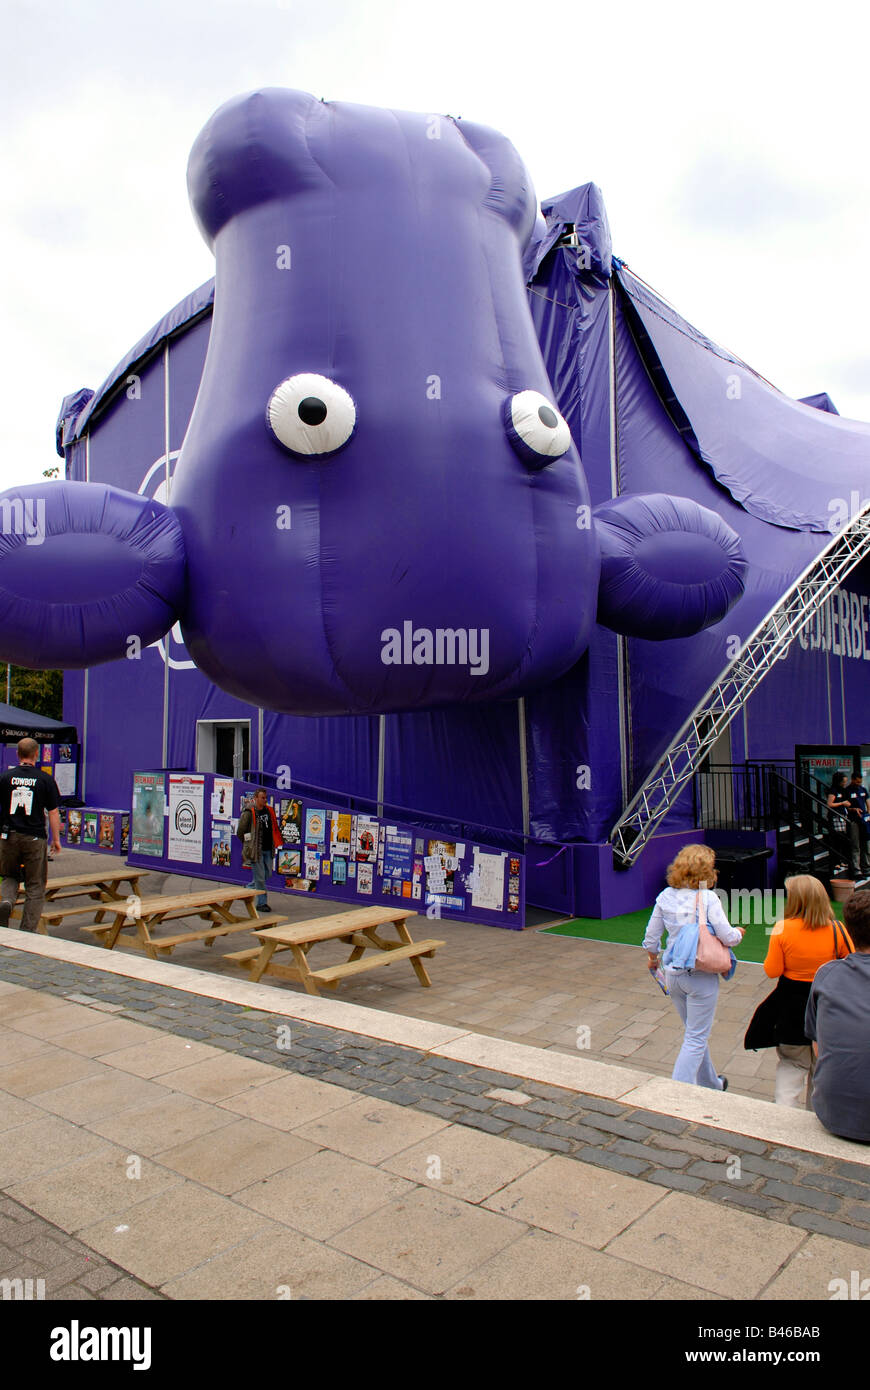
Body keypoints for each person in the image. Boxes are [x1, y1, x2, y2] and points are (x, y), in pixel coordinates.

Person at [644, 844, 744, 1090]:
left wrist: (653, 960)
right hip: (701, 975)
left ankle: (711, 1083)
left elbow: (651, 937)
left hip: (673, 974)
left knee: (694, 1033)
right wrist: (739, 933)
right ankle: (680, 1092)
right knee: (696, 1037)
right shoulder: (708, 898)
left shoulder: (665, 896)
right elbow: (727, 936)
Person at [749, 875, 853, 1108]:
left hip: (791, 1007)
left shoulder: (783, 929)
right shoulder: (838, 929)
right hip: (826, 1006)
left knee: (791, 1064)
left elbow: (772, 970)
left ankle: (784, 1114)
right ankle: (816, 1114)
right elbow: (851, 963)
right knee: (821, 1066)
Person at [805, 888, 870, 1142]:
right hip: (835, 1116)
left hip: (834, 1113)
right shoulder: (827, 975)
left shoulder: (826, 975)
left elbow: (818, 1045)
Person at [0, 737, 62, 933]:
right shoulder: (45, 779)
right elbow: (53, 812)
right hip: (34, 837)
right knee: (35, 885)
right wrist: (56, 840)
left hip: (8, 835)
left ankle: (7, 901)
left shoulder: (6, 777)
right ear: (36, 754)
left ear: (18, 754)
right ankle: (27, 931)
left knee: (9, 875)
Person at [235, 787, 281, 912]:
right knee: (260, 878)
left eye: (265, 798)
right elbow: (241, 831)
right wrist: (248, 843)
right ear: (255, 798)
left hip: (268, 849)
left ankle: (249, 887)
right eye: (262, 798)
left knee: (267, 874)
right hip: (256, 850)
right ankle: (262, 903)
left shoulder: (269, 811)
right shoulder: (249, 812)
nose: (265, 800)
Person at [845, 771, 870, 881]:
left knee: (866, 844)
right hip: (854, 820)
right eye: (857, 782)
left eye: (860, 782)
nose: (859, 784)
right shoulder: (847, 791)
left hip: (864, 820)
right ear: (853, 779)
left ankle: (866, 868)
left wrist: (868, 814)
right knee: (856, 845)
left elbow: (868, 802)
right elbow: (846, 807)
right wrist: (854, 809)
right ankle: (857, 870)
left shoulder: (863, 790)